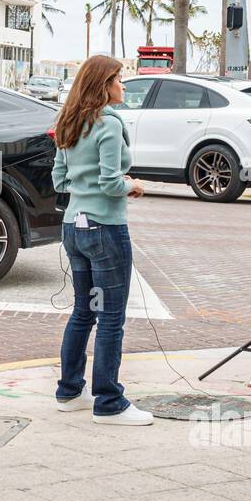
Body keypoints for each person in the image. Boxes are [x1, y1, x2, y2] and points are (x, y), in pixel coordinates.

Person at [49, 54, 154, 426]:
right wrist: (133, 185)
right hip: (105, 229)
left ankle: (69, 391)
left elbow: (59, 180)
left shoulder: (69, 122)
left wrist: (85, 183)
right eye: (119, 80)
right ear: (104, 85)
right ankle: (109, 402)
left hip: (74, 228)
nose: (123, 86)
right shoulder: (108, 125)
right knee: (111, 317)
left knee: (83, 311)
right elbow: (111, 182)